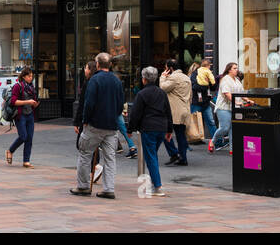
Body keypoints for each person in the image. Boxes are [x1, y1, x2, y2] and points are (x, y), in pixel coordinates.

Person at [71, 52, 125, 199]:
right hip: (111, 126)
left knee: (85, 154)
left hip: (95, 124)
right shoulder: (116, 81)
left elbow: (89, 103)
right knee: (110, 158)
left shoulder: (95, 80)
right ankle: (109, 188)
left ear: (98, 64)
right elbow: (120, 105)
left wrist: (85, 120)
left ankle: (83, 186)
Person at [128, 66, 173, 197]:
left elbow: (135, 113)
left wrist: (130, 129)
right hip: (162, 127)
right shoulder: (162, 93)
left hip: (149, 127)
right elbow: (168, 111)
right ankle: (155, 183)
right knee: (152, 154)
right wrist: (169, 130)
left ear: (144, 79)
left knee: (151, 157)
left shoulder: (142, 94)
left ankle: (158, 186)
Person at [159, 58, 191, 166]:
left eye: (166, 68)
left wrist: (163, 77)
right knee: (181, 135)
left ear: (170, 68)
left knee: (164, 131)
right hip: (185, 109)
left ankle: (174, 153)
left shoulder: (173, 77)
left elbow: (163, 88)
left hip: (174, 111)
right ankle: (183, 158)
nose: (165, 70)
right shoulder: (186, 77)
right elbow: (190, 96)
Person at [6, 66, 38, 167]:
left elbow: (34, 100)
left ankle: (26, 161)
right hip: (20, 115)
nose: (31, 78)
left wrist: (34, 104)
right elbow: (13, 101)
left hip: (30, 115)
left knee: (29, 138)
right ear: (23, 76)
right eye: (29, 76)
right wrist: (28, 101)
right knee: (23, 136)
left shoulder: (31, 87)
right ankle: (10, 150)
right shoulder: (18, 86)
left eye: (32, 76)